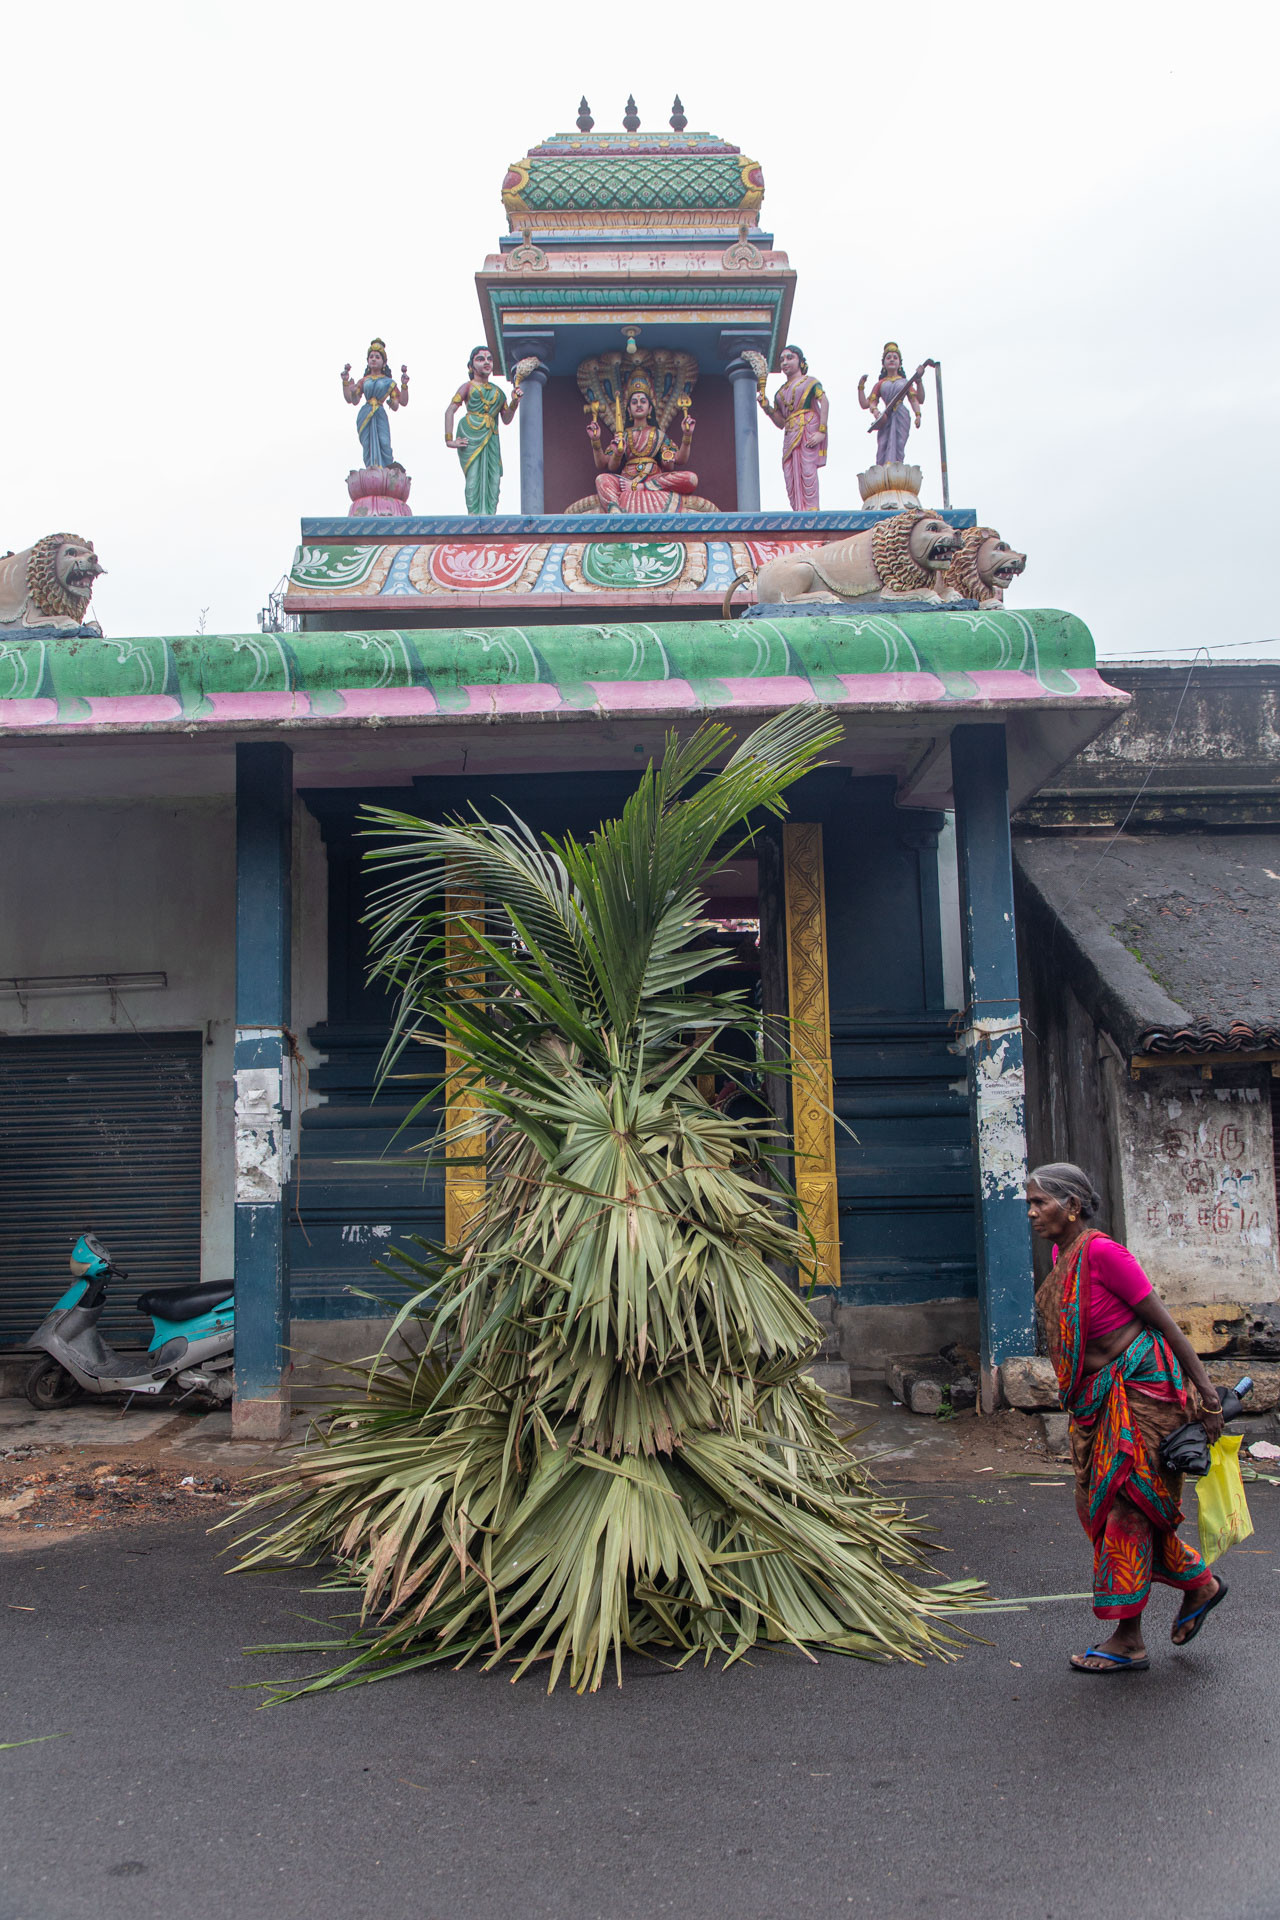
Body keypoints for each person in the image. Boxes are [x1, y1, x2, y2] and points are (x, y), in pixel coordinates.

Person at [1026, 1162, 1228, 1674]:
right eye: (1030, 1203)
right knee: (1110, 1506)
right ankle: (1199, 1583)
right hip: (1097, 1402)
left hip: (1139, 1397)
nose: (1032, 1212)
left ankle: (1128, 1639)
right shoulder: (1064, 1255)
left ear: (1073, 1206)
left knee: (1126, 1510)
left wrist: (1207, 1397)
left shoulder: (1104, 1254)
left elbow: (1168, 1326)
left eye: (1040, 1202)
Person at [587, 373, 698, 512]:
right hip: (625, 480)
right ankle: (614, 509)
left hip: (653, 480)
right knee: (602, 479)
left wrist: (687, 435)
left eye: (643, 401)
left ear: (650, 408)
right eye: (634, 402)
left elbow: (679, 460)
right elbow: (605, 464)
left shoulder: (658, 435)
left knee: (691, 478)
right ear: (629, 410)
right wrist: (596, 441)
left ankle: (643, 488)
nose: (639, 405)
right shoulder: (623, 435)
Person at [444, 347, 522, 514]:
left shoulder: (498, 392)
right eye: (480, 359)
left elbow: (506, 419)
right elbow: (450, 410)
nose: (486, 362)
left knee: (493, 478)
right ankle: (474, 516)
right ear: (471, 366)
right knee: (473, 478)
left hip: (491, 436)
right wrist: (449, 440)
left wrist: (514, 403)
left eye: (489, 359)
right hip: (470, 435)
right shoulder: (468, 387)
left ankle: (489, 515)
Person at [757, 344, 828, 510]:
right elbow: (781, 423)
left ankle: (811, 508)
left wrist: (822, 431)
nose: (785, 362)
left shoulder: (810, 383)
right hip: (790, 433)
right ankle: (798, 508)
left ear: (800, 361)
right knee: (790, 474)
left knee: (807, 469)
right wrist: (767, 408)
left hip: (807, 428)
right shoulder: (780, 393)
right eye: (782, 360)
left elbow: (824, 402)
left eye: (790, 358)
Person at [341, 339, 409, 468]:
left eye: (377, 357)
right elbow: (353, 400)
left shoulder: (389, 382)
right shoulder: (364, 380)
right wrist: (347, 385)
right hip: (365, 413)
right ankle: (371, 469)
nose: (373, 359)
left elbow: (401, 402)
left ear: (384, 362)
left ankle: (385, 470)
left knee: (384, 442)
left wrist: (403, 386)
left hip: (380, 413)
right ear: (367, 360)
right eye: (371, 357)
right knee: (367, 444)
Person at [857, 342, 926, 467]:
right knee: (883, 444)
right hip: (886, 417)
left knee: (899, 443)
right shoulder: (880, 384)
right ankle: (884, 468)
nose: (892, 360)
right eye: (888, 357)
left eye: (895, 357)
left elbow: (917, 399)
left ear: (900, 363)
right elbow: (866, 403)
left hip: (901, 415)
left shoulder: (905, 382)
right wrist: (861, 387)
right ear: (883, 363)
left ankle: (897, 467)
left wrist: (918, 414)